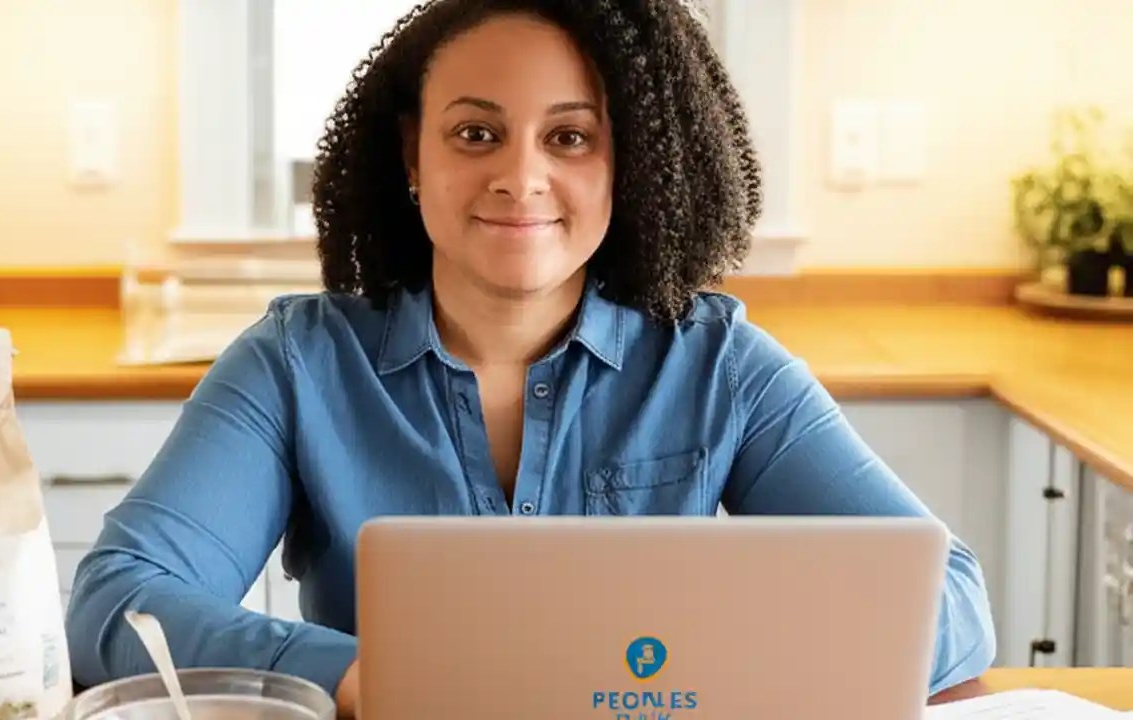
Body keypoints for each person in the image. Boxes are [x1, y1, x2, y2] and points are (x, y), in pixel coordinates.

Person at [65, 0, 997, 716]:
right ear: (412, 157)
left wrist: (722, 671)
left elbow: (949, 601)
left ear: (628, 164)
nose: (521, 176)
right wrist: (360, 675)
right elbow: (115, 603)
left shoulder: (722, 365)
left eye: (569, 136)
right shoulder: (296, 366)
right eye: (476, 133)